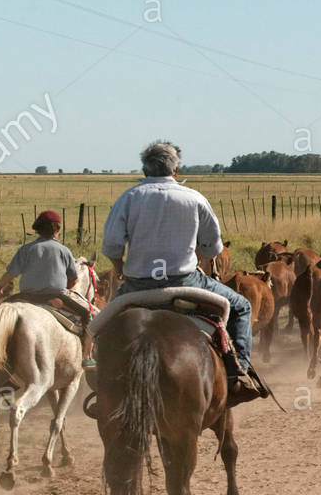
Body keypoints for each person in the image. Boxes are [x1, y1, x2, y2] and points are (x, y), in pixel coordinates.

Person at [100, 140, 266, 406]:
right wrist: (199, 256)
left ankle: (101, 385)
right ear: (176, 170)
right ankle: (238, 375)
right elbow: (212, 247)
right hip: (187, 280)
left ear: (144, 169)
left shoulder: (128, 198)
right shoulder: (194, 198)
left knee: (102, 328)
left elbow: (111, 245)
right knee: (242, 307)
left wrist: (120, 270)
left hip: (137, 286)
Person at [0, 210, 95, 367]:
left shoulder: (26, 249)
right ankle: (86, 355)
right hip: (55, 297)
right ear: (57, 230)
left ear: (38, 229)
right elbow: (73, 280)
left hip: (26, 296)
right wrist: (66, 287)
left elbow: (11, 273)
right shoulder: (64, 251)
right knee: (87, 315)